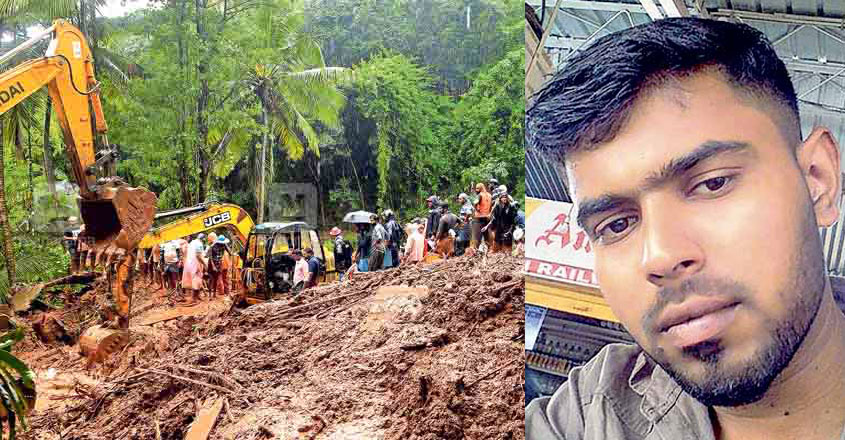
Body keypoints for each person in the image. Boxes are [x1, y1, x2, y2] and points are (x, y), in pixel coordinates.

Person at [525, 18, 845, 440]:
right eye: (616, 224)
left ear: (817, 181)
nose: (659, 256)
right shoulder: (589, 416)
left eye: (712, 184)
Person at [181, 234, 206, 305]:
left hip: (189, 264)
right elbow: (198, 256)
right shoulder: (199, 244)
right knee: (196, 281)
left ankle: (197, 297)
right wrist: (204, 264)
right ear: (203, 239)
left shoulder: (192, 243)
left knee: (195, 281)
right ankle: (192, 299)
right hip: (196, 264)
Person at [472, 183, 492, 249]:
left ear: (481, 188)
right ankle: (488, 250)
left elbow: (475, 203)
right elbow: (491, 206)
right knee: (487, 236)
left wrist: (476, 209)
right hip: (487, 218)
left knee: (477, 236)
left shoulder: (480, 195)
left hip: (479, 218)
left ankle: (476, 251)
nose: (476, 190)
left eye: (477, 188)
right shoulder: (489, 195)